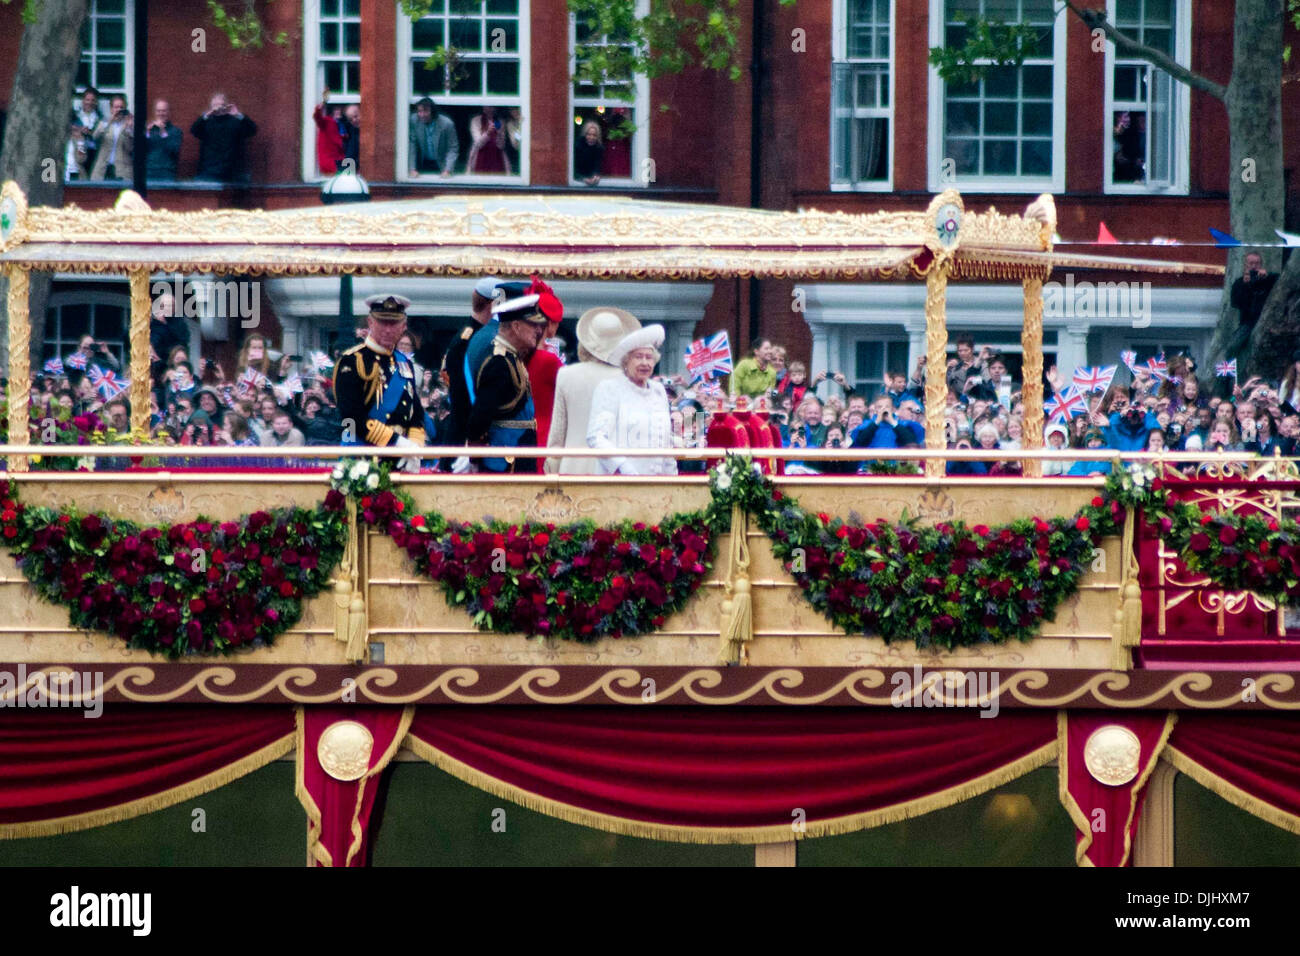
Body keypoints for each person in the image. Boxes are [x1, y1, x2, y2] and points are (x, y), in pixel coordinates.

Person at [333, 294, 433, 472]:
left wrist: (415, 446)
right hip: (363, 461)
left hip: (400, 462)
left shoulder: (405, 363)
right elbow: (351, 417)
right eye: (382, 322)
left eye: (393, 323)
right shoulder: (352, 361)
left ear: (403, 326)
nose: (388, 329)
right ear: (370, 322)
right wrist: (397, 442)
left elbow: (416, 412)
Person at [547, 306, 642, 475]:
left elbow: (557, 437)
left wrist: (552, 472)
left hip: (572, 470)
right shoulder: (631, 380)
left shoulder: (567, 375)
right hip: (615, 472)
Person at [465, 287, 551, 473]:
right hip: (506, 459)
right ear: (516, 326)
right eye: (532, 325)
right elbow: (479, 419)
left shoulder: (511, 357)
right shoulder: (499, 363)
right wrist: (476, 456)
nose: (538, 331)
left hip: (518, 453)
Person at [588, 324, 676, 476]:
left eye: (649, 357)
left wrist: (672, 478)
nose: (644, 363)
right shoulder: (610, 388)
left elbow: (665, 442)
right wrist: (623, 468)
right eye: (638, 357)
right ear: (626, 362)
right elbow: (596, 437)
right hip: (621, 482)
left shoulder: (659, 391)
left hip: (656, 485)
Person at [442, 276, 505, 465]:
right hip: (465, 438)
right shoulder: (470, 340)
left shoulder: (470, 335)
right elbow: (465, 395)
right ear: (493, 305)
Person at [191, 92, 257, 183]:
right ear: (211, 106)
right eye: (215, 105)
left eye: (221, 105)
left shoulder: (235, 122)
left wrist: (238, 115)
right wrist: (206, 116)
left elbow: (252, 130)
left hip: (232, 172)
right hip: (209, 170)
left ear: (226, 106)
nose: (219, 107)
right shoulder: (206, 122)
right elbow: (194, 130)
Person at [1228, 252, 1278, 357]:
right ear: (1245, 265)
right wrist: (1246, 285)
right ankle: (1228, 373)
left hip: (1268, 320)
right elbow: (1235, 303)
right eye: (1251, 263)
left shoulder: (1269, 279)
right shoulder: (1239, 283)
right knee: (1233, 346)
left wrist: (1266, 277)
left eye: (1257, 263)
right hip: (1248, 322)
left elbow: (1281, 280)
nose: (1254, 266)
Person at [409, 97, 457, 176]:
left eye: (425, 111)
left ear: (433, 112)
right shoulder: (414, 120)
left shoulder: (447, 124)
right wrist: (412, 168)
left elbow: (452, 148)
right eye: (419, 111)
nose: (422, 115)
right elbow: (412, 145)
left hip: (441, 164)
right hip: (421, 162)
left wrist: (448, 170)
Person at [90, 95, 133, 181]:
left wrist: (129, 128)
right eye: (116, 107)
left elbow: (130, 148)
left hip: (122, 171)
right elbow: (95, 137)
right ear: (111, 109)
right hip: (102, 170)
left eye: (121, 107)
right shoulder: (103, 123)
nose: (118, 110)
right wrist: (110, 121)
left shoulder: (129, 126)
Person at [67, 88, 101, 180]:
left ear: (96, 102)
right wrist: (78, 129)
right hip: (76, 148)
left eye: (93, 100)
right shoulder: (75, 115)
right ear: (83, 100)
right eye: (87, 99)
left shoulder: (99, 119)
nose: (89, 102)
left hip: (91, 154)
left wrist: (89, 134)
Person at [143, 100, 182, 180]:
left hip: (167, 172)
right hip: (149, 171)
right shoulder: (150, 129)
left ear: (168, 112)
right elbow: (141, 150)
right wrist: (147, 133)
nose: (161, 114)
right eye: (158, 111)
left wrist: (163, 131)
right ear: (155, 112)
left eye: (164, 111)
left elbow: (174, 150)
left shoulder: (176, 131)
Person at [312, 90, 346, 174]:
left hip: (340, 160)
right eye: (336, 110)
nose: (338, 112)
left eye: (339, 110)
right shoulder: (327, 121)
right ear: (332, 112)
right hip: (329, 161)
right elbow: (317, 117)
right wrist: (320, 106)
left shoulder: (341, 125)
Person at [574, 121, 603, 185]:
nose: (591, 137)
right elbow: (573, 170)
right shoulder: (577, 147)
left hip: (592, 182)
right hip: (578, 182)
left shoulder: (599, 149)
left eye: (594, 135)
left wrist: (596, 176)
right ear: (585, 135)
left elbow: (598, 166)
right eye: (589, 134)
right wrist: (583, 179)